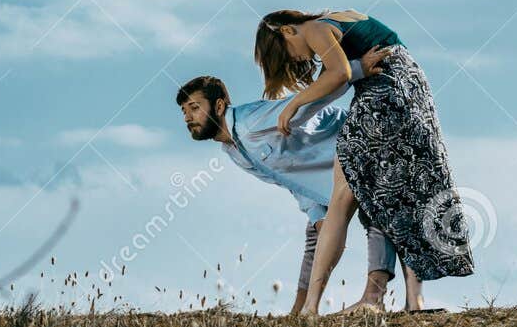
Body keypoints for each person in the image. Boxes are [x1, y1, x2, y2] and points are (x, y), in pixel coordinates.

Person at [254, 8, 474, 315]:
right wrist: (351, 69)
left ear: (287, 31)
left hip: (384, 98)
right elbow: (337, 81)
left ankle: (312, 307)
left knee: (342, 198)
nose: (299, 60)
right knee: (404, 193)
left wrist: (292, 105)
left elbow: (339, 75)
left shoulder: (315, 29)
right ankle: (413, 301)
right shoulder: (339, 19)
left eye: (289, 55)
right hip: (411, 94)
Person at [176, 57, 426, 313]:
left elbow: (307, 103)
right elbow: (291, 178)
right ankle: (301, 308)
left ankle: (378, 299)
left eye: (194, 107)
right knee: (316, 234)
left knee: (377, 214)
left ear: (218, 106)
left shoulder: (252, 121)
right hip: (328, 173)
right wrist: (316, 213)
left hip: (358, 143)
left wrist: (355, 70)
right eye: (184, 110)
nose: (187, 117)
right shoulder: (232, 149)